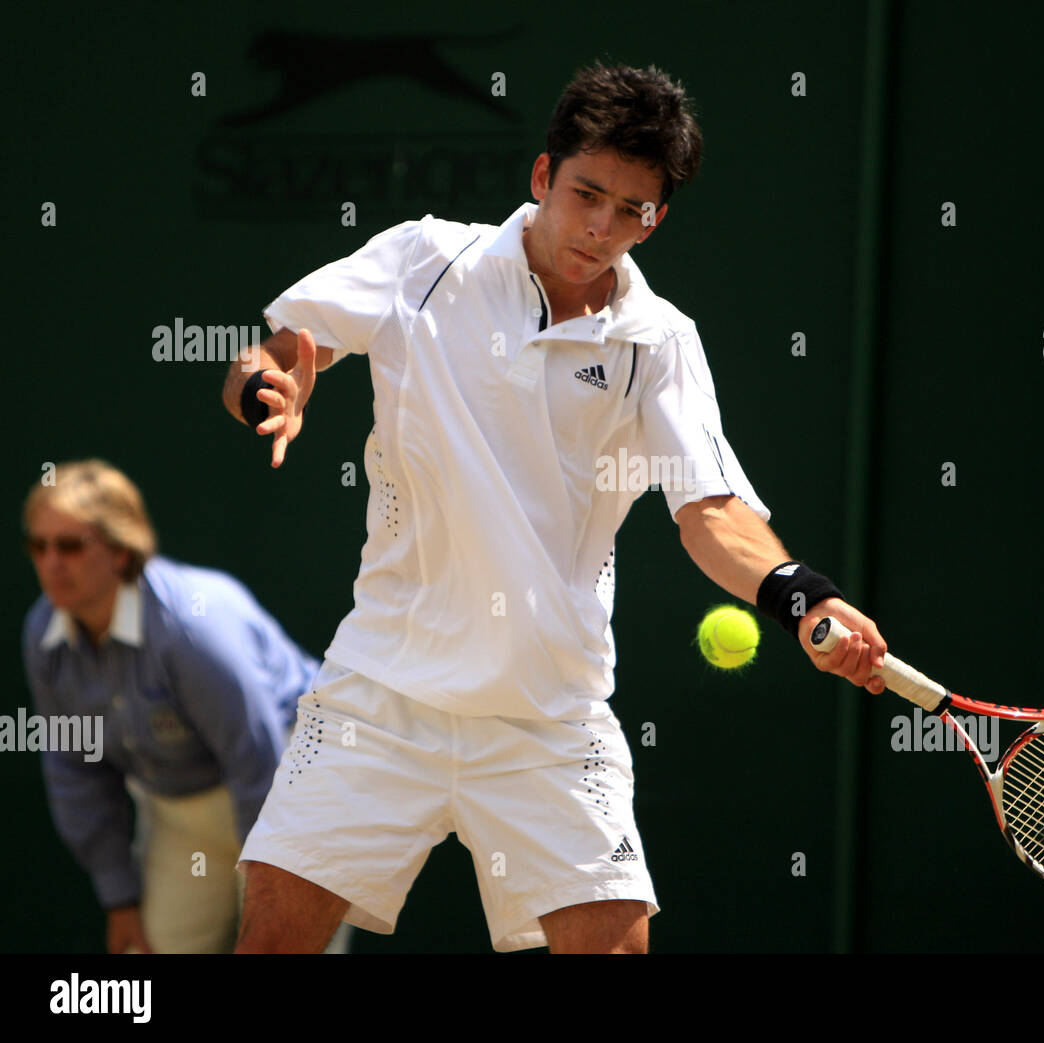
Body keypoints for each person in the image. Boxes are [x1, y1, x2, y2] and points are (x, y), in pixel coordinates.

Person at [221, 62, 889, 954]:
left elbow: (710, 511)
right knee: (271, 939)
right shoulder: (424, 258)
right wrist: (268, 385)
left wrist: (801, 592)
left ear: (659, 218)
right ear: (543, 177)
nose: (602, 228)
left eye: (633, 210)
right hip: (380, 694)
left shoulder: (661, 341)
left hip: (550, 715)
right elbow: (273, 356)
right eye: (587, 194)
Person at [20, 459, 322, 953]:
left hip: (289, 793)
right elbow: (75, 770)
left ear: (119, 551)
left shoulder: (191, 626)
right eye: (38, 545)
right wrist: (119, 898)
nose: (51, 562)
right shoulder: (42, 635)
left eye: (70, 545)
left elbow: (257, 757)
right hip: (181, 818)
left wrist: (272, 893)